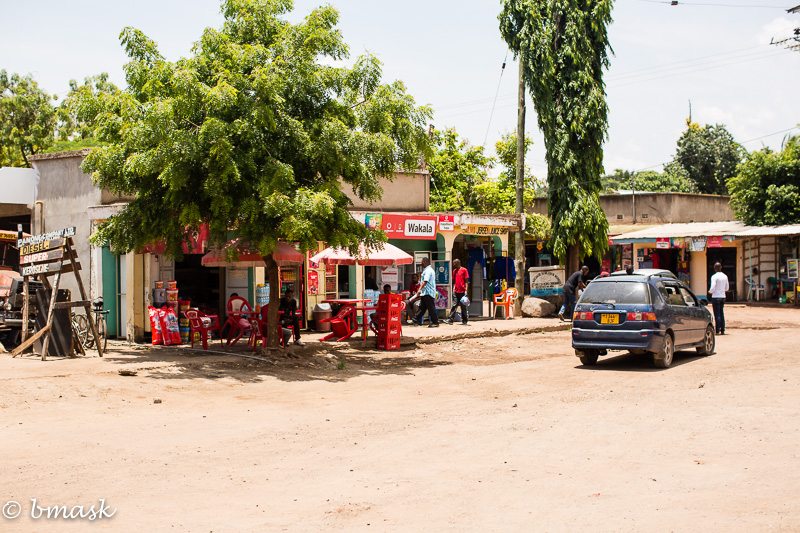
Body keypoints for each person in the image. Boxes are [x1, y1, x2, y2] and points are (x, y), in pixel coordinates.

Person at [411, 257, 439, 328]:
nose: (421, 263)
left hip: (428, 292)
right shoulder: (427, 270)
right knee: (422, 307)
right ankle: (415, 319)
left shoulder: (428, 271)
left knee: (431, 308)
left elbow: (425, 281)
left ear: (425, 262)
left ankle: (435, 322)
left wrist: (419, 289)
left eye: (422, 262)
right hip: (425, 292)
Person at [445, 258, 469, 325]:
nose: (453, 264)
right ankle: (450, 319)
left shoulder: (464, 270)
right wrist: (453, 289)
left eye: (454, 263)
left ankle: (464, 320)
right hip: (456, 291)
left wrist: (466, 290)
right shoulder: (454, 271)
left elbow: (466, 281)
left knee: (463, 306)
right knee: (454, 305)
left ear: (457, 263)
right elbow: (454, 281)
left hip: (462, 291)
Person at [708, 262, 729, 335]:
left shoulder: (714, 277)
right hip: (723, 296)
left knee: (717, 314)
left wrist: (710, 291)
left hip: (716, 296)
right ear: (721, 268)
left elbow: (712, 287)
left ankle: (717, 330)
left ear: (715, 268)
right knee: (721, 313)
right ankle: (722, 330)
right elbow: (727, 288)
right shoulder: (725, 276)